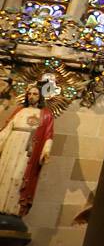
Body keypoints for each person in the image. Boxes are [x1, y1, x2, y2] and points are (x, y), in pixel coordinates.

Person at [0, 84, 55, 216]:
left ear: (40, 97)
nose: (31, 96)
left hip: (28, 149)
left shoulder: (46, 115)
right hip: (11, 145)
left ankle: (13, 209)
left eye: (35, 94)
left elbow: (48, 135)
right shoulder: (20, 110)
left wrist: (46, 151)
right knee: (5, 172)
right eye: (29, 94)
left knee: (18, 176)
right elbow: (8, 128)